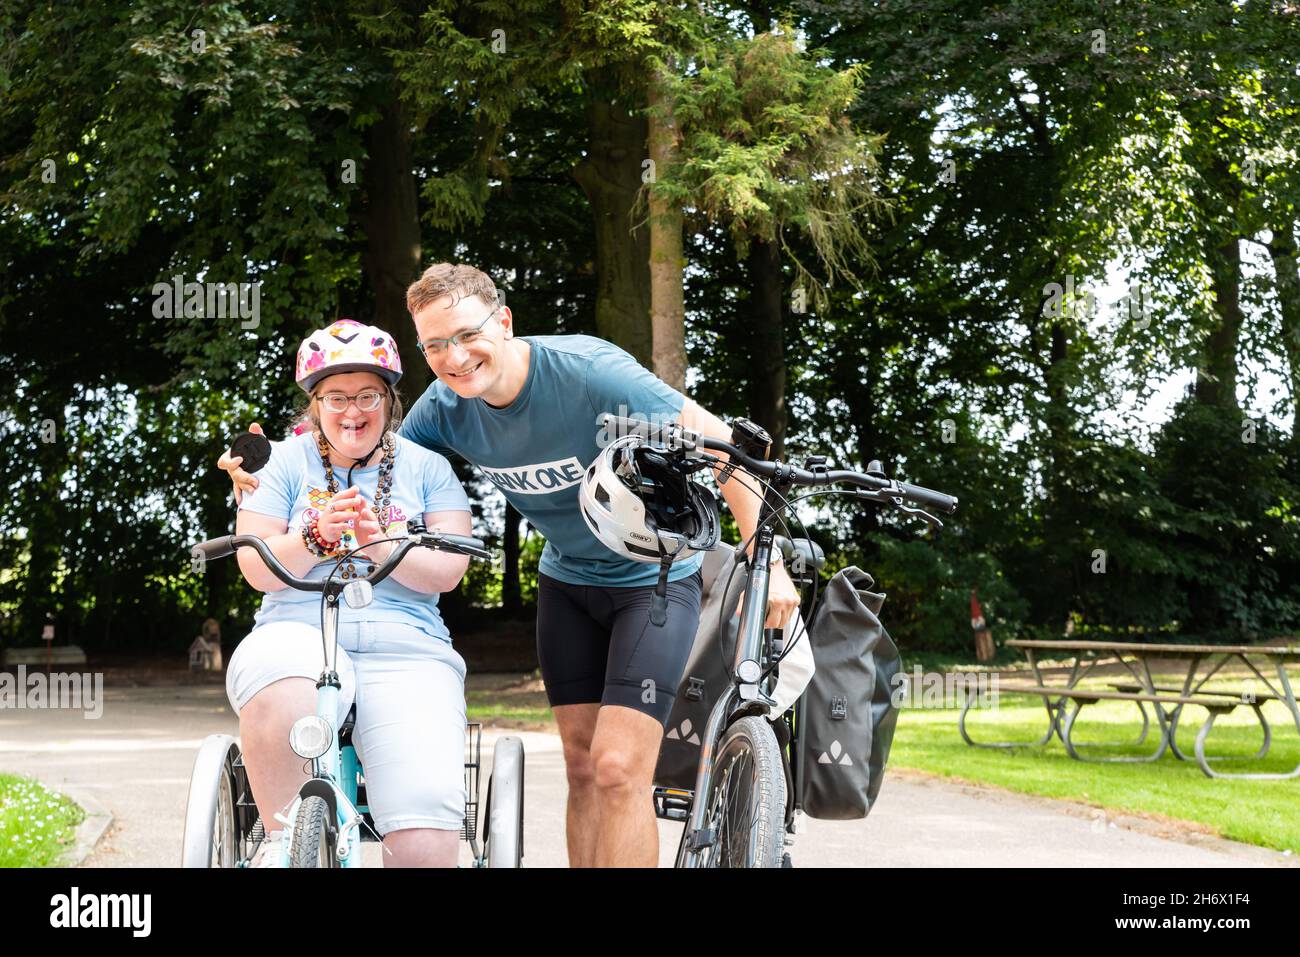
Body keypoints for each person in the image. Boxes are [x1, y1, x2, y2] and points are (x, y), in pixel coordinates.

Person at [221, 264, 800, 867]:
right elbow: (350, 436)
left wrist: (768, 557)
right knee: (581, 767)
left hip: (652, 581)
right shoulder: (444, 410)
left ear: (503, 321)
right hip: (567, 583)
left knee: (619, 767)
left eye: (467, 334)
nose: (456, 356)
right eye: (436, 345)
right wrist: (262, 475)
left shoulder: (589, 375)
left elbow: (724, 446)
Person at [225, 319, 474, 867]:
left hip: (406, 647)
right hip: (297, 631)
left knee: (426, 843)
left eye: (367, 395)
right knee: (280, 683)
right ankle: (282, 842)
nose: (352, 411)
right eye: (335, 397)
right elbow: (255, 565)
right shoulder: (281, 465)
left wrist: (379, 543)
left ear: (389, 400)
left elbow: (451, 569)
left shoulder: (428, 468)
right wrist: (315, 537)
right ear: (315, 405)